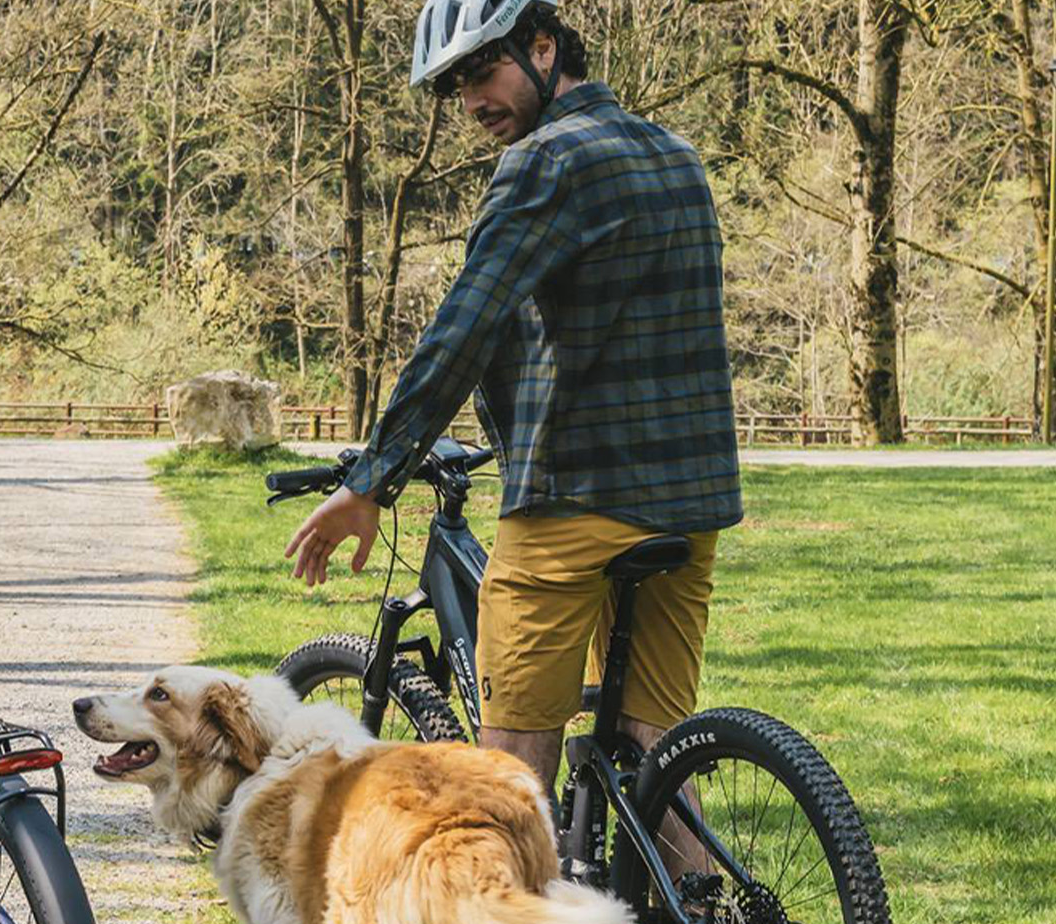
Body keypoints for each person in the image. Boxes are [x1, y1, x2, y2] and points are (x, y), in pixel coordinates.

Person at [283, 0, 743, 804]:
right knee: (656, 748)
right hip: (690, 498)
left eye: (478, 72)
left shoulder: (546, 161)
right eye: (453, 87)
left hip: (576, 501)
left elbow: (463, 328)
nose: (468, 102)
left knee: (508, 781)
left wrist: (371, 481)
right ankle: (693, 900)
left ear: (542, 47)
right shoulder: (677, 153)